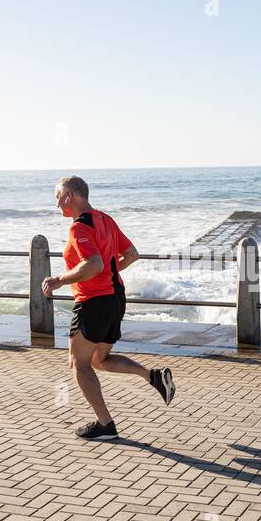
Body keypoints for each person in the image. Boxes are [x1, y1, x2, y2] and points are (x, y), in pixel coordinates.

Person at [41, 176, 176, 440]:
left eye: (57, 196)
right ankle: (153, 377)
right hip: (115, 298)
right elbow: (132, 254)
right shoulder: (106, 219)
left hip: (93, 302)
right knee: (98, 360)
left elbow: (93, 264)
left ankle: (105, 425)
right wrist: (107, 274)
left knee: (78, 364)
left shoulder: (78, 228)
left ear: (69, 195)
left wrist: (59, 280)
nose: (56, 203)